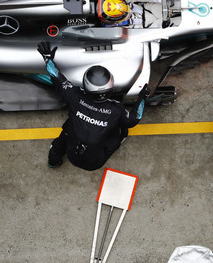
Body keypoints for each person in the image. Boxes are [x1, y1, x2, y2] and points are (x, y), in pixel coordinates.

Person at [37, 41, 149, 171]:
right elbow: (134, 119)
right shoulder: (116, 110)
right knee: (122, 131)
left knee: (66, 131)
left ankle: (53, 162)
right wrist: (142, 98)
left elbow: (57, 77)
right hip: (94, 163)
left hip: (72, 153)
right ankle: (121, 139)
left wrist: (47, 58)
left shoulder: (75, 97)